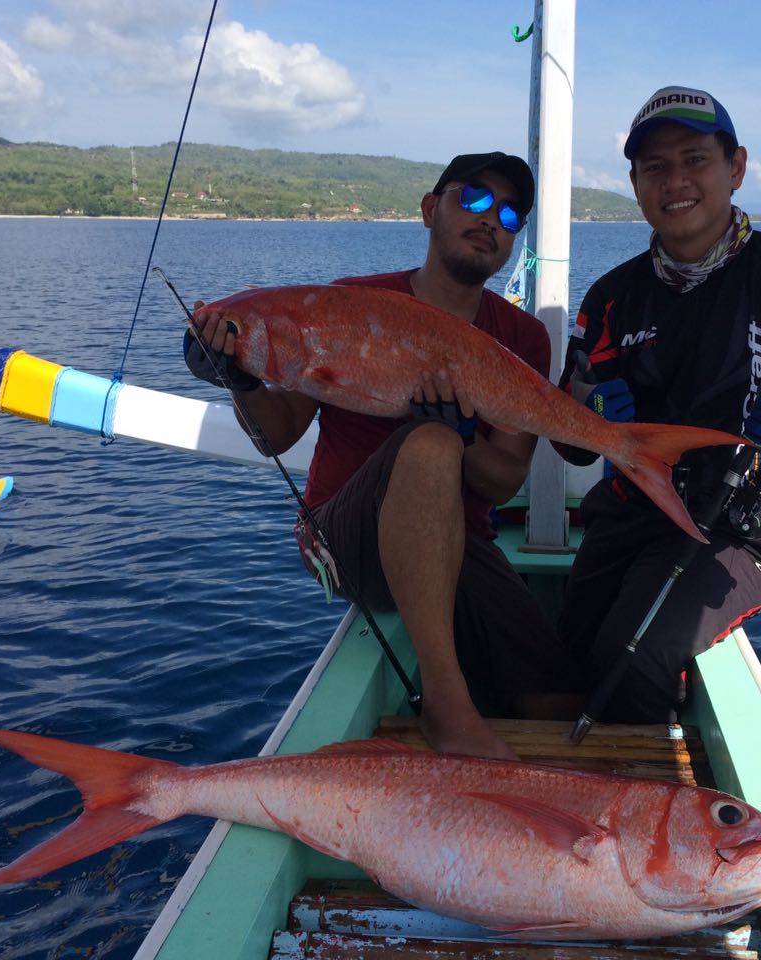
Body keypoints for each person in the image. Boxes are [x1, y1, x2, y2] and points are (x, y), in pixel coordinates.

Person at [185, 152, 585, 759]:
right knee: (428, 442)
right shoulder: (349, 304)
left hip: (457, 543)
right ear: (429, 209)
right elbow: (278, 436)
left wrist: (466, 433)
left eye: (509, 213)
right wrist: (241, 380)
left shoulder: (523, 337)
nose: (490, 219)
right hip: (343, 538)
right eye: (473, 199)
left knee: (556, 697)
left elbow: (502, 482)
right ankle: (449, 712)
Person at [554, 87, 761, 723]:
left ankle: (649, 804)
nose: (675, 180)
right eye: (655, 167)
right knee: (567, 656)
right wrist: (590, 414)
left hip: (741, 534)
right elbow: (567, 433)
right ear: (635, 183)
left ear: (735, 167)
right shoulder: (609, 298)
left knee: (639, 660)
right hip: (628, 521)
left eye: (694, 159)